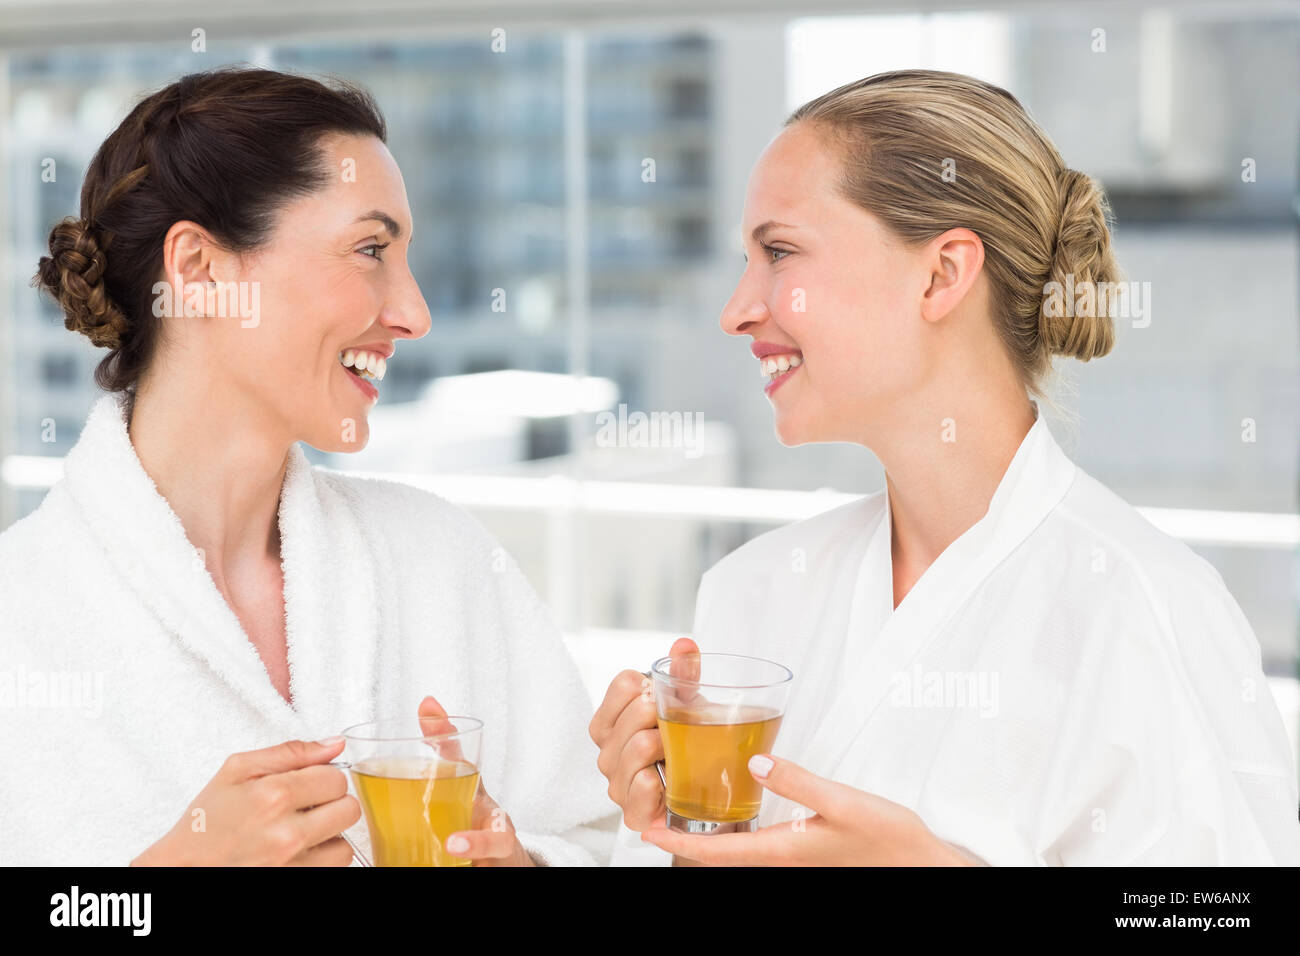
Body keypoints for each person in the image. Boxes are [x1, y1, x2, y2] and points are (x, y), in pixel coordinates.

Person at [591, 69, 1300, 866]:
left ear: (943, 274)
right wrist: (680, 835)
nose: (737, 309)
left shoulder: (1141, 606)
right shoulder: (752, 593)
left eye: (779, 252)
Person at [2, 67, 616, 866]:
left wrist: (523, 863)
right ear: (199, 269)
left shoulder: (443, 559)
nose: (414, 313)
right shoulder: (20, 617)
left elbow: (588, 836)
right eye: (370, 249)